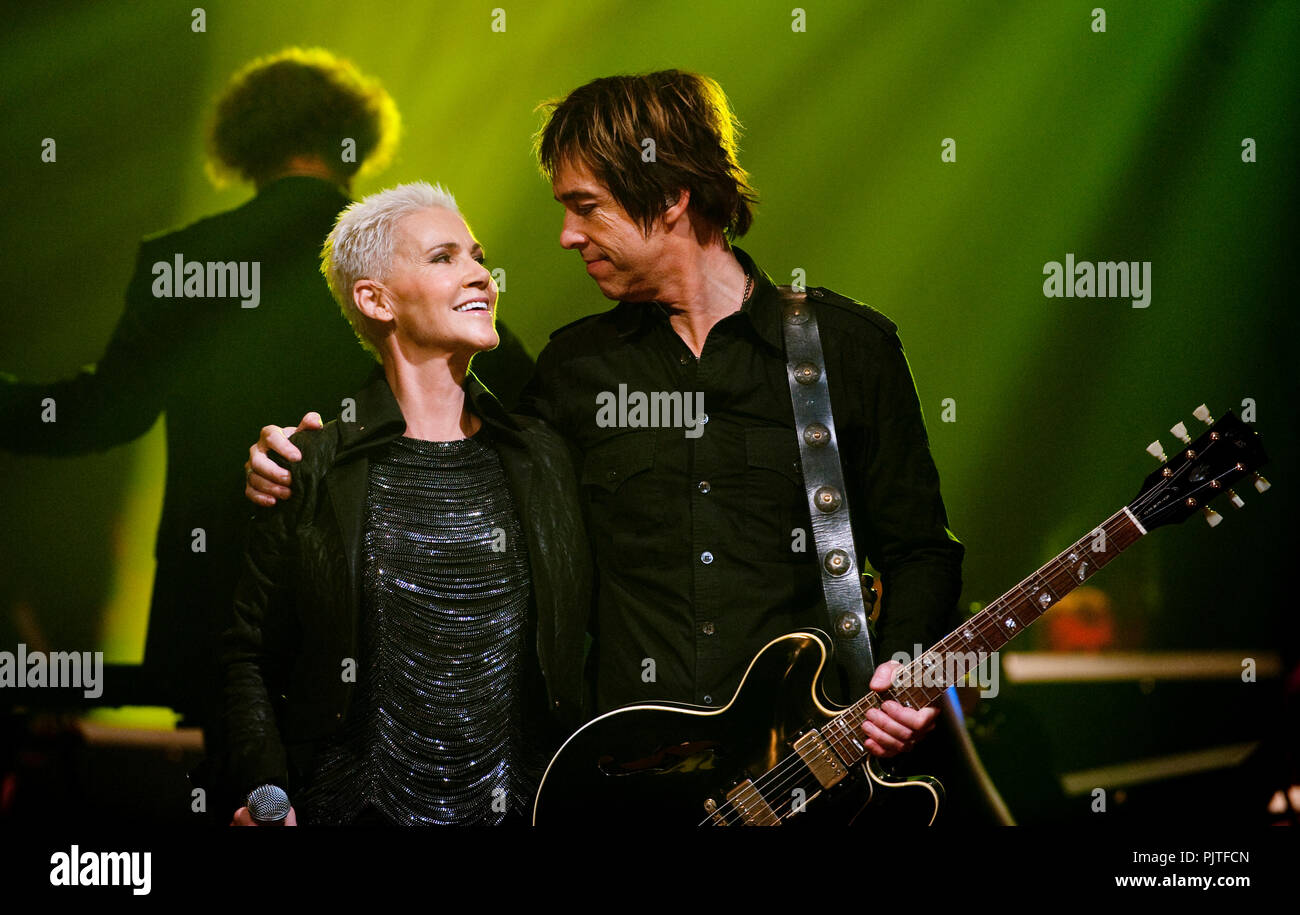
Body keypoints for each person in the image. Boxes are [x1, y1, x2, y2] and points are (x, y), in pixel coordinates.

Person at [248, 70, 987, 820]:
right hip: (624, 790)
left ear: (671, 196)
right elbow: (446, 453)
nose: (567, 234)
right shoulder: (574, 371)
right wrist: (301, 456)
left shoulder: (848, 348)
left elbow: (922, 548)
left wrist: (904, 670)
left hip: (810, 780)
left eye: (586, 207)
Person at [0, 48, 535, 754]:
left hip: (221, 607)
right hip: (387, 604)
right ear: (355, 141)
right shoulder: (405, 265)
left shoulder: (184, 261)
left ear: (242, 145)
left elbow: (101, 412)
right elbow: (524, 399)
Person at [224, 181, 590, 825]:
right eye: (444, 257)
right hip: (352, 810)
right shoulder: (311, 464)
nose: (480, 273)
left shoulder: (541, 456)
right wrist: (265, 792)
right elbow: (248, 653)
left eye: (477, 256)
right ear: (376, 298)